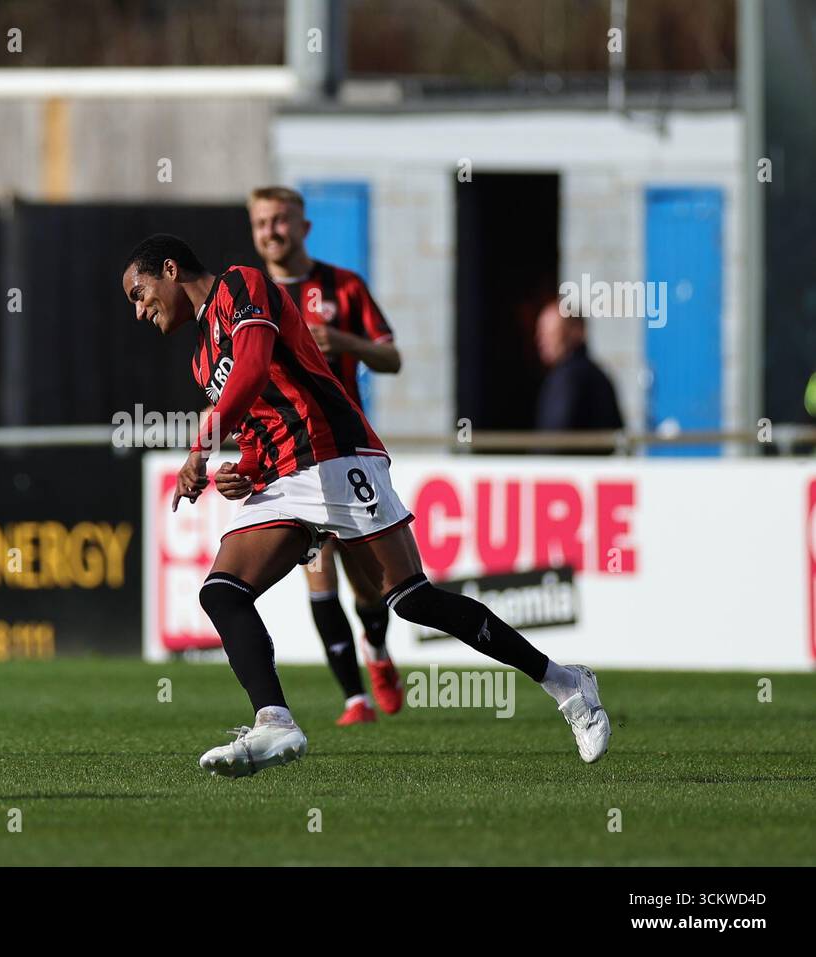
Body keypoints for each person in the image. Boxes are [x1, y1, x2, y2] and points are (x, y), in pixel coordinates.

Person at [122, 233, 610, 777]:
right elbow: (260, 423)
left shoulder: (243, 283)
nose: (139, 311)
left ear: (169, 269)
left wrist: (200, 449)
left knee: (413, 600)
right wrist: (248, 470)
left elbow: (255, 367)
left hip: (336, 453)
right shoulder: (199, 358)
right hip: (286, 475)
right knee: (222, 592)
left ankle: (566, 683)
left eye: (139, 294)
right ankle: (275, 721)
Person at [248, 185, 403, 725]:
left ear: (304, 227)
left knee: (371, 584)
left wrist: (345, 342)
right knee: (316, 570)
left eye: (281, 221)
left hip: (346, 449)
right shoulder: (250, 295)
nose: (272, 231)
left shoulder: (342, 286)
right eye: (262, 222)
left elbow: (392, 357)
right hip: (293, 457)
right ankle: (353, 699)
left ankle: (378, 651)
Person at [535, 301, 624, 441]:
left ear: (576, 332)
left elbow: (554, 439)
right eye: (541, 333)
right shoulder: (598, 375)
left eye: (551, 333)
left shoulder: (569, 378)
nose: (542, 341)